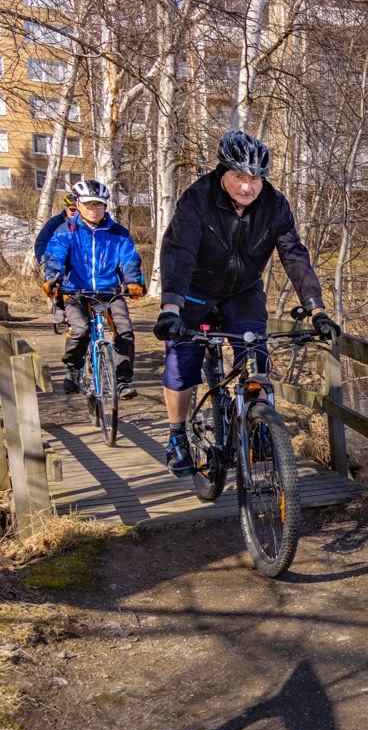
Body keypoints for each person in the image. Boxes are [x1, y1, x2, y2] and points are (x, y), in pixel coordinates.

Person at [153, 129, 340, 477]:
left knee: (256, 356)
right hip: (195, 290)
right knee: (183, 360)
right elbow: (179, 252)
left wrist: (318, 311)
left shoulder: (275, 205)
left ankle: (259, 425)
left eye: (255, 178)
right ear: (222, 171)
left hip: (244, 290)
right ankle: (177, 435)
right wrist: (171, 308)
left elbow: (294, 254)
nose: (247, 187)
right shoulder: (197, 199)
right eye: (239, 176)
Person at [42, 180, 143, 399]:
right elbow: (54, 256)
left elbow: (130, 259)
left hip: (110, 291)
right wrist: (53, 279)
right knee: (80, 330)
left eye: (98, 204)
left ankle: (123, 380)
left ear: (105, 206)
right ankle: (73, 368)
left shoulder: (118, 232)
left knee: (124, 330)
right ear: (78, 205)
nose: (93, 209)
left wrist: (133, 280)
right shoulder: (66, 230)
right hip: (75, 290)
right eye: (88, 204)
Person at [34, 192, 78, 327]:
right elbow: (41, 242)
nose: (75, 213)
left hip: (79, 259)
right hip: (58, 257)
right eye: (72, 210)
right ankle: (59, 306)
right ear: (66, 208)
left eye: (78, 210)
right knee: (58, 275)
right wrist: (43, 261)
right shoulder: (55, 222)